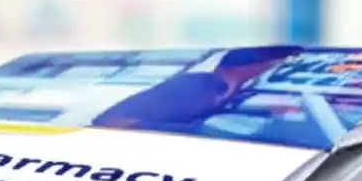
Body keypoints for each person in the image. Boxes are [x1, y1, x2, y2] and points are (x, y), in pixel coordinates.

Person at [91, 46, 296, 133]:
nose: (275, 66)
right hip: (120, 129)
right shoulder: (201, 85)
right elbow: (185, 120)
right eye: (275, 62)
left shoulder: (229, 87)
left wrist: (270, 111)